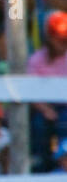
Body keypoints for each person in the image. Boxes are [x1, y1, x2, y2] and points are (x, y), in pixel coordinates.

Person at [28, 9, 67, 170]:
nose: (63, 43)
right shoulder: (37, 59)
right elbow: (29, 90)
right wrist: (45, 109)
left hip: (65, 106)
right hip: (43, 107)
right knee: (39, 125)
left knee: (64, 123)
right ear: (49, 38)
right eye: (59, 40)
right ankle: (43, 165)